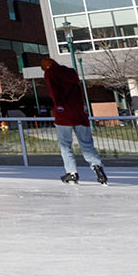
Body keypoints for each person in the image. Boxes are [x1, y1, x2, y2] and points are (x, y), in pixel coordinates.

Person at [38, 55, 107, 185]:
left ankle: (72, 172)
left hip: (64, 114)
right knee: (86, 144)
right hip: (79, 113)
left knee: (65, 145)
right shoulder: (71, 72)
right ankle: (98, 168)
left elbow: (54, 91)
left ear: (46, 67)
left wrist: (59, 106)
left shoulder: (50, 73)